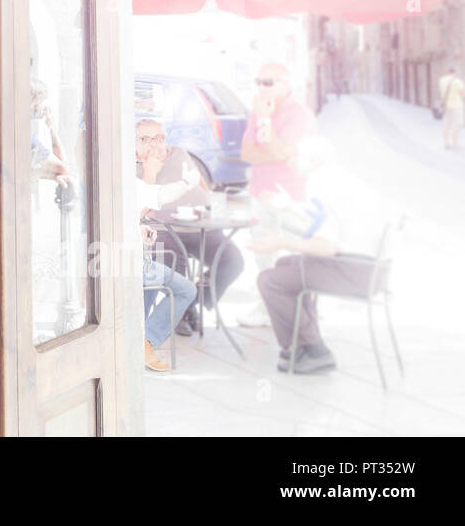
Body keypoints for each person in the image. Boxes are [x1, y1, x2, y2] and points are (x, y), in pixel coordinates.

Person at [254, 180, 389, 375]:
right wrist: (289, 208)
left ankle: (315, 350)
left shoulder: (328, 194)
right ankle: (304, 345)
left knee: (269, 280)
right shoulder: (353, 190)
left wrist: (281, 242)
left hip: (352, 271)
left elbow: (326, 247)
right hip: (371, 271)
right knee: (285, 265)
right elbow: (320, 224)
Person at [135, 119, 245, 335]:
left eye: (159, 138)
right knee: (172, 269)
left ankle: (189, 305)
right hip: (164, 231)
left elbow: (201, 184)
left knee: (233, 261)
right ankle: (181, 311)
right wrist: (151, 171)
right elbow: (140, 205)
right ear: (135, 144)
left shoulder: (179, 154)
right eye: (145, 139)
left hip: (202, 227)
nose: (154, 144)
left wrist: (213, 207)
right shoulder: (133, 169)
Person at [239, 63, 314, 326]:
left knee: (290, 257)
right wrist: (272, 147)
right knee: (263, 256)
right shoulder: (259, 110)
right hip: (260, 192)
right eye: (258, 81)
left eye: (268, 82)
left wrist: (265, 122)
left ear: (286, 83)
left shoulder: (299, 114)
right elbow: (247, 153)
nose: (261, 87)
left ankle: (298, 313)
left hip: (289, 196)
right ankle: (266, 309)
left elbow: (282, 151)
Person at [136, 178, 197, 372]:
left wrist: (139, 229)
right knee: (187, 290)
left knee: (153, 276)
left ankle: (137, 339)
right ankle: (146, 341)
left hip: (108, 260)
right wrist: (188, 182)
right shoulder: (128, 180)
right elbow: (161, 194)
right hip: (127, 263)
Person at [439, 64, 464, 150]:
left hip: (446, 106)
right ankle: (455, 143)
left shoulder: (442, 81)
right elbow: (463, 93)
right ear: (455, 72)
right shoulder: (457, 82)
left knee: (446, 124)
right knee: (458, 124)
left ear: (447, 72)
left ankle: (446, 143)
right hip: (456, 106)